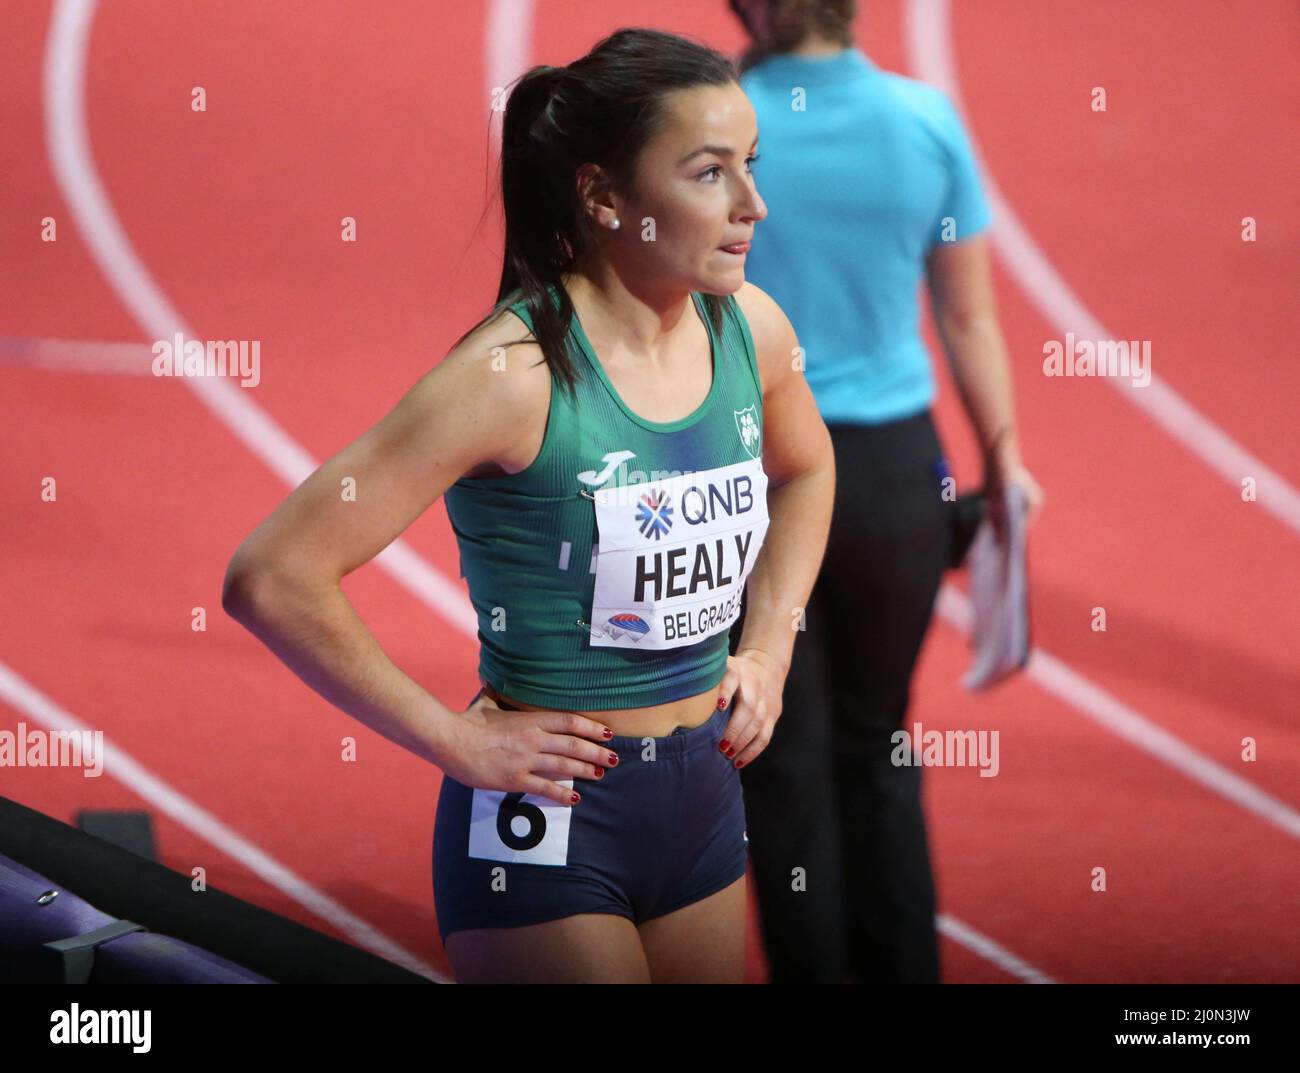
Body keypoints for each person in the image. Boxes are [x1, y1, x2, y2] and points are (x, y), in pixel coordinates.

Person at [220, 27, 835, 984]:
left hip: (705, 798)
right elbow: (272, 575)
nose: (754, 205)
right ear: (602, 196)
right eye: (710, 173)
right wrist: (452, 738)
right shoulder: (512, 379)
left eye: (750, 166)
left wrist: (771, 644)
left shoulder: (751, 331)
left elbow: (807, 470)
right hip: (548, 827)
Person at [725, 0, 1044, 983]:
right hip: (899, 476)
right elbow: (969, 315)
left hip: (757, 464)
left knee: (778, 759)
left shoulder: (720, 120)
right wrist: (1004, 463)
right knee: (879, 744)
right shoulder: (926, 118)